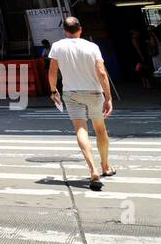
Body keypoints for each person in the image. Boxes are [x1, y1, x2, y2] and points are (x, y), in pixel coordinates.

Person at [47, 17, 114, 190]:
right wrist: (108, 97)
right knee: (100, 129)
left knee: (80, 129)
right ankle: (105, 166)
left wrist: (53, 90)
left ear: (65, 31)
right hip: (94, 92)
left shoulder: (57, 46)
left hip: (71, 93)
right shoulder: (92, 47)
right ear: (80, 29)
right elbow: (101, 73)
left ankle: (93, 170)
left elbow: (52, 71)